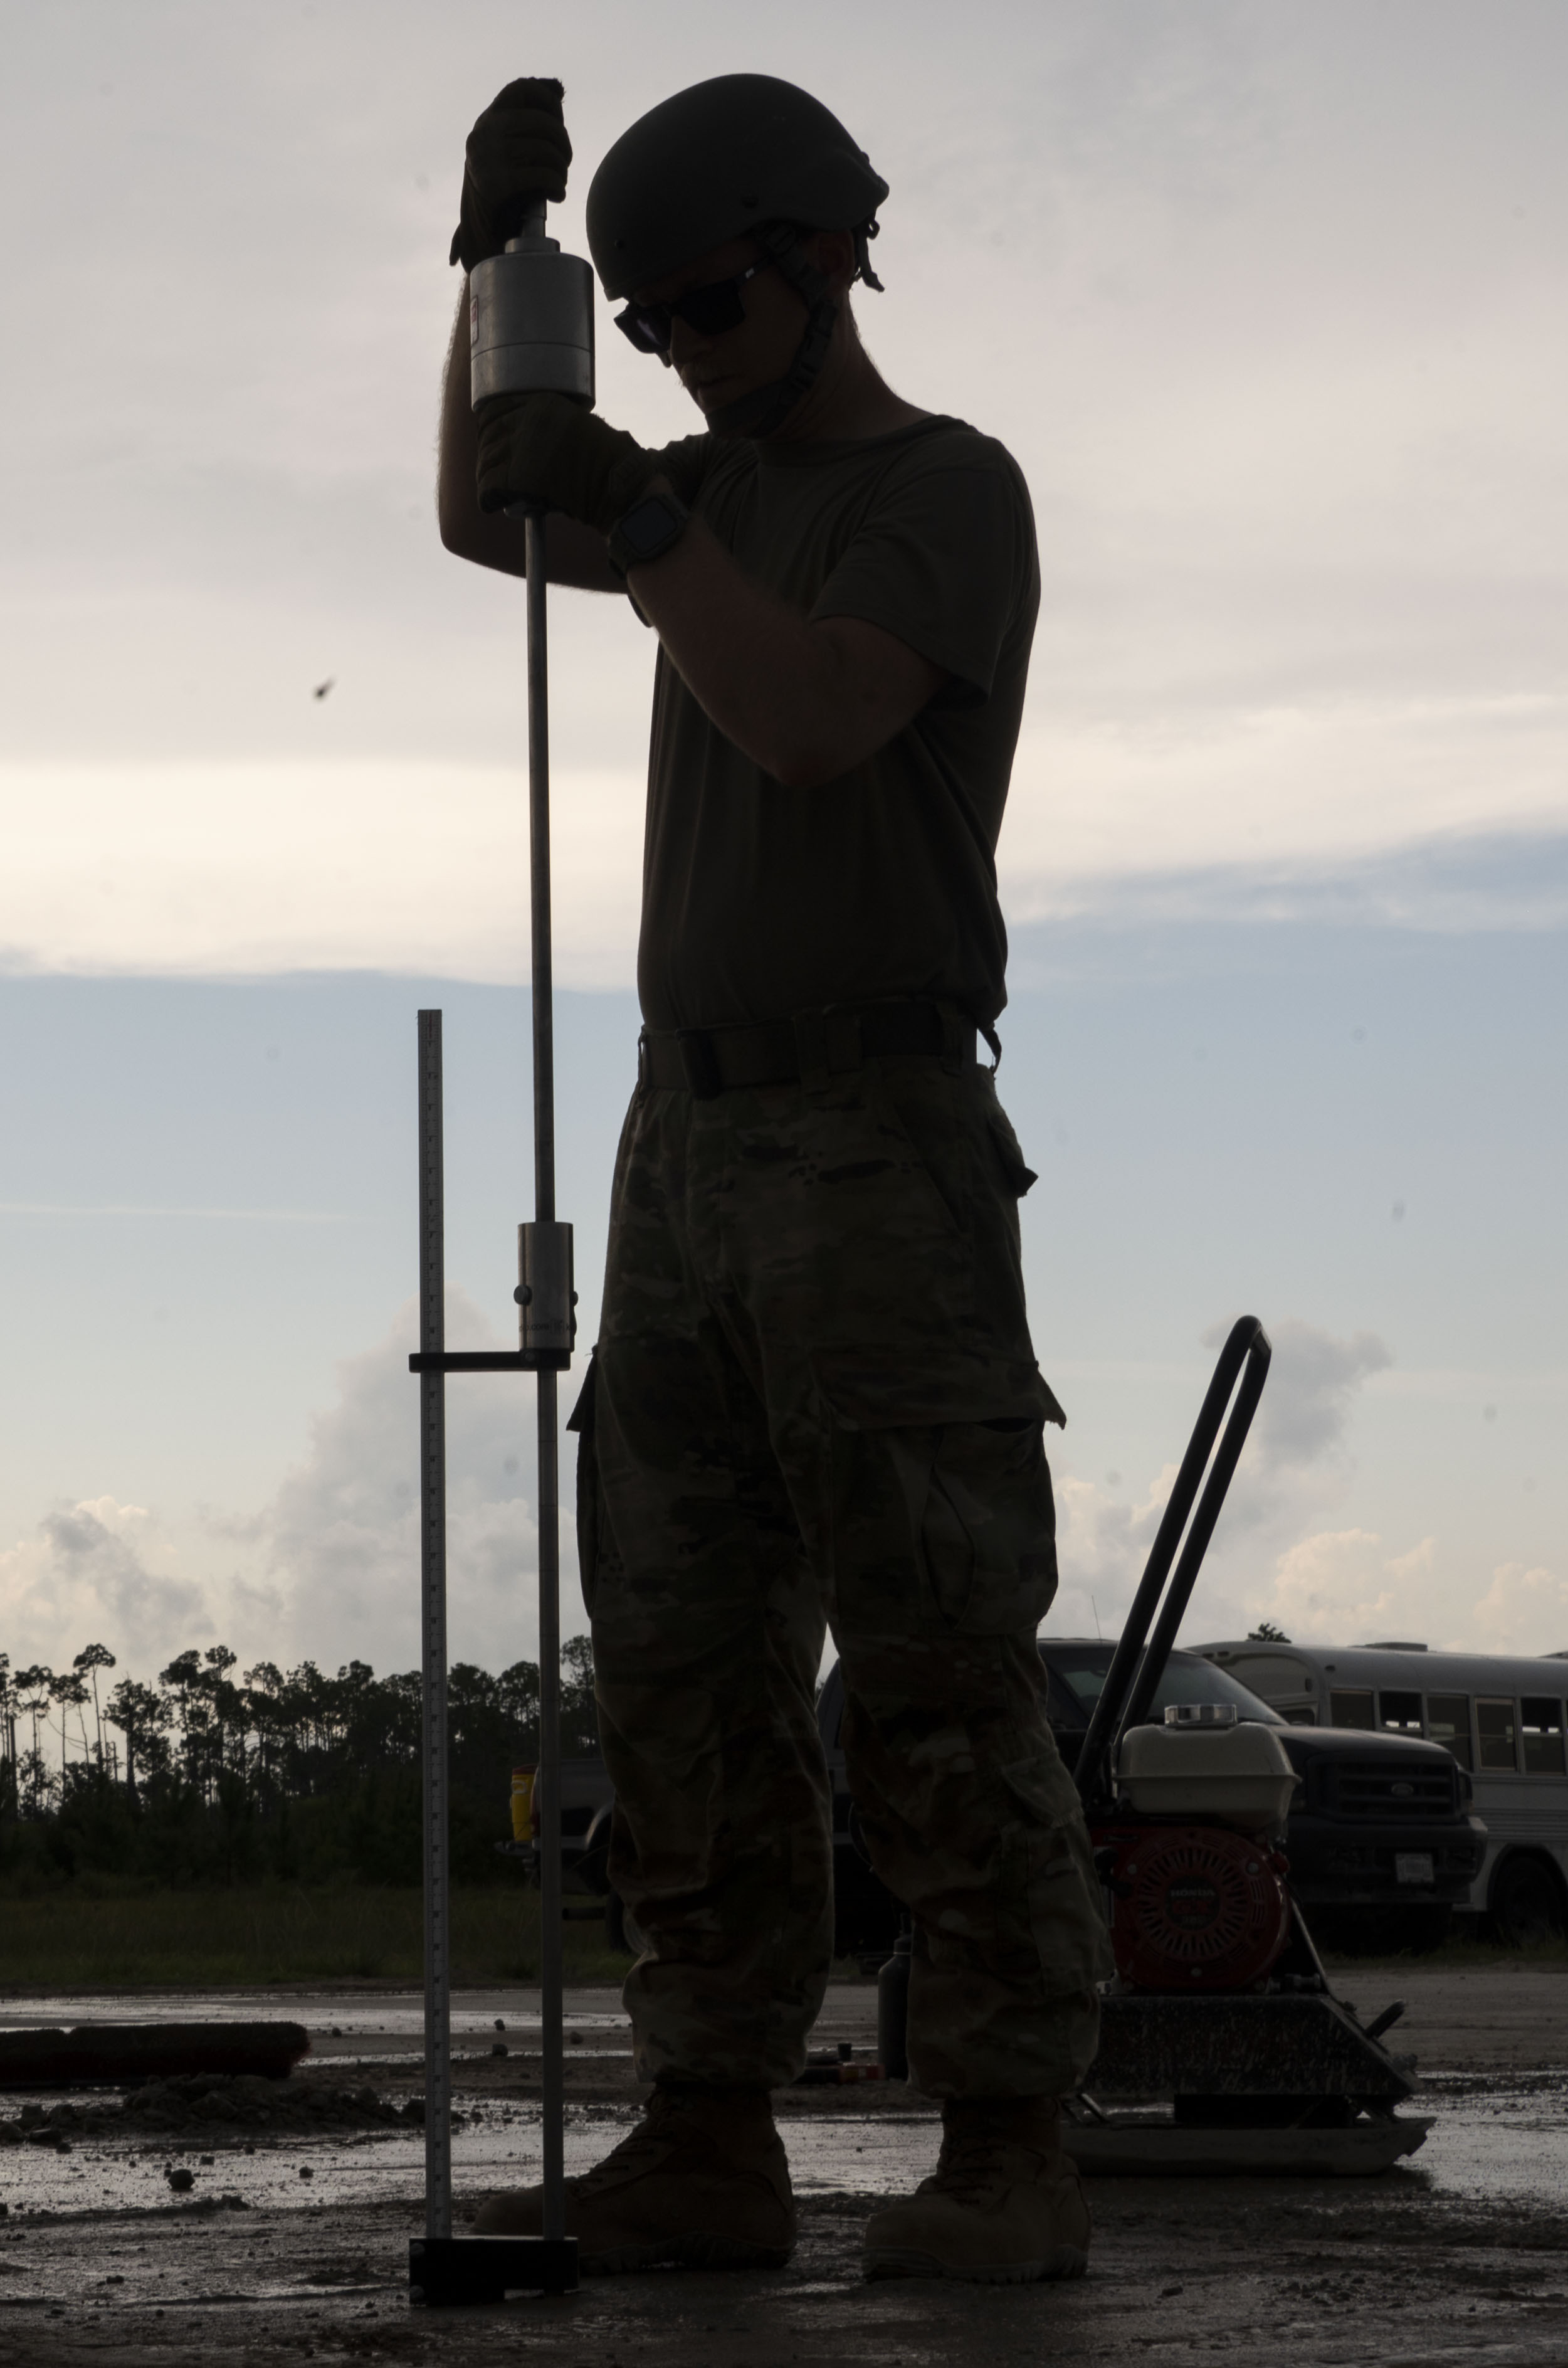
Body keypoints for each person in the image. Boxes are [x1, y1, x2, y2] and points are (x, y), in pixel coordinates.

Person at [436, 77, 1109, 2283]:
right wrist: (497, 274)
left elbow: (812, 719)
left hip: (875, 1137)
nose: (680, 354)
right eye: (643, 326)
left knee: (930, 1654)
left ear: (826, 263)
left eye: (706, 307)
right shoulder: (698, 492)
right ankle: (707, 2125)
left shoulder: (939, 489)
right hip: (686, 1136)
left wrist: (648, 519)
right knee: (682, 1656)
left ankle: (1006, 2141)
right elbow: (480, 512)